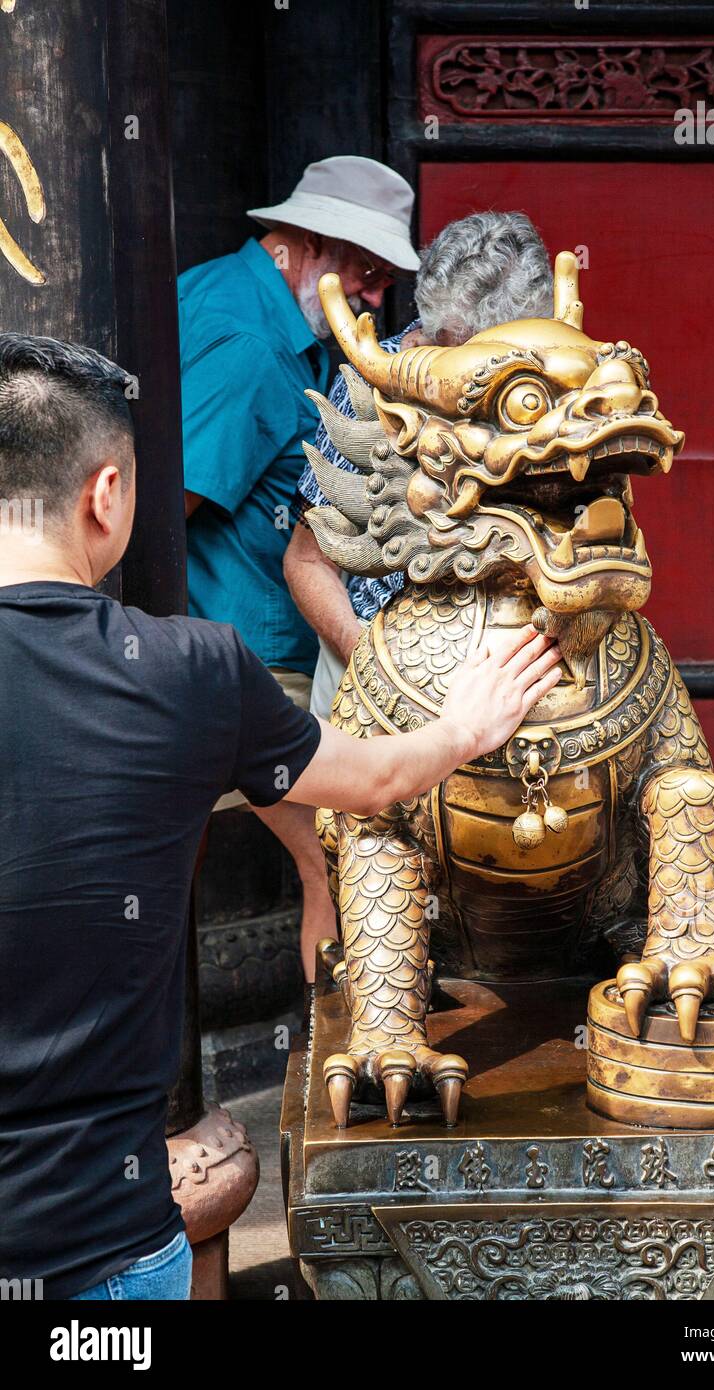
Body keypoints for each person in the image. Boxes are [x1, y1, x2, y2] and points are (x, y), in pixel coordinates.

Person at [0, 333, 560, 1299]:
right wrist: (466, 726)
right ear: (105, 495)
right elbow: (376, 781)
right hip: (102, 1254)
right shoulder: (191, 670)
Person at [177, 156, 420, 978]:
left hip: (258, 651)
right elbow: (157, 511)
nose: (377, 298)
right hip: (236, 661)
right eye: (367, 273)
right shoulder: (248, 341)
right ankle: (340, 1068)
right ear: (306, 243)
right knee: (341, 862)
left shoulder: (286, 320)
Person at [284, 211, 554, 719]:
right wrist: (364, 654)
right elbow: (306, 560)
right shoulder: (371, 379)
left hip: (522, 679)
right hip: (371, 663)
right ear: (431, 322)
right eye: (459, 348)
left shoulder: (556, 386)